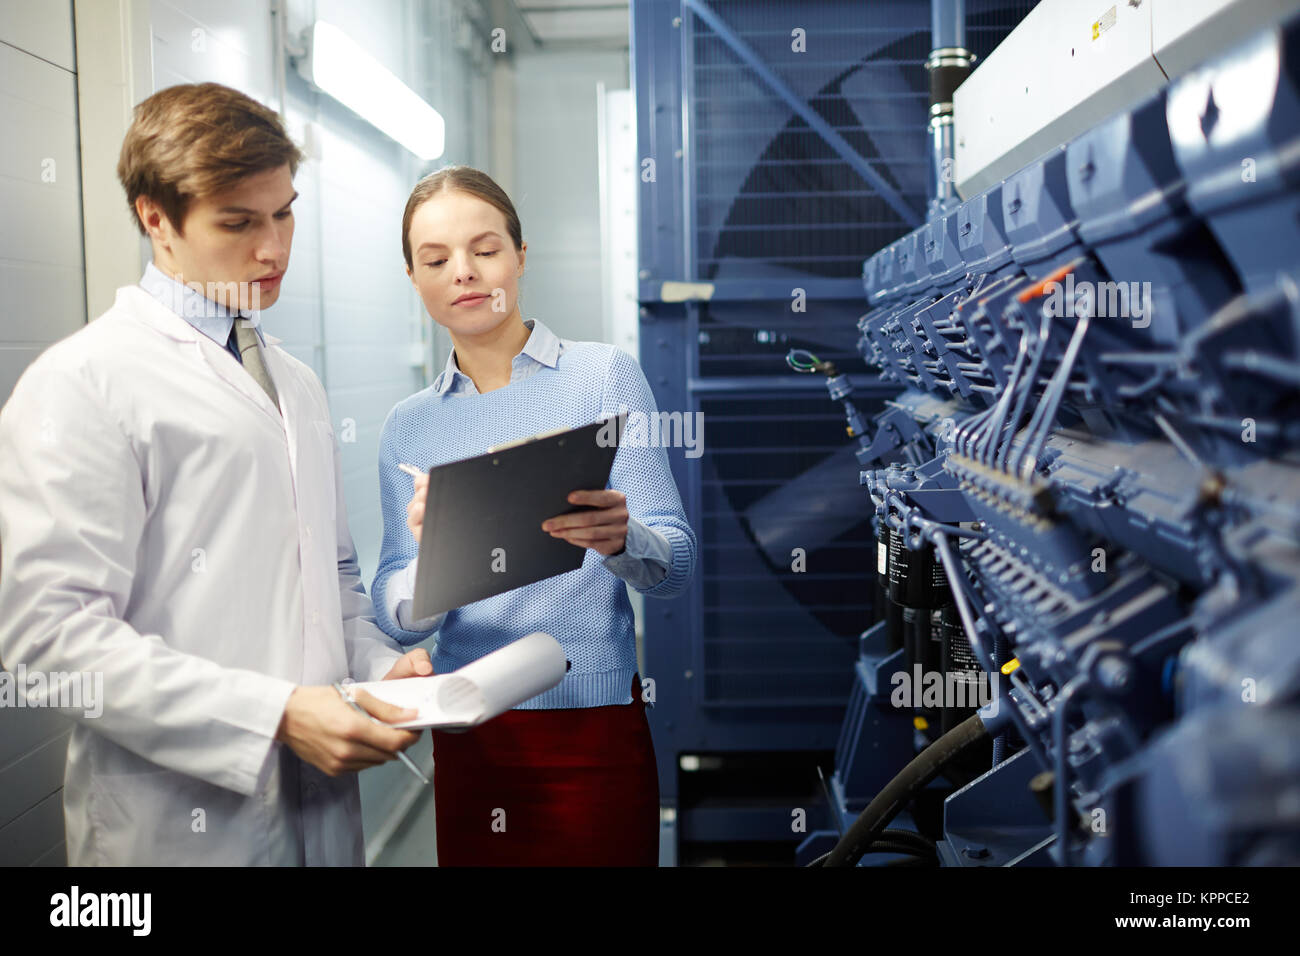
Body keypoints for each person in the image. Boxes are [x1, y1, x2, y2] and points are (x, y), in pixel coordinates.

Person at [0, 82, 432, 866]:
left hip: (321, 817)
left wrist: (378, 667)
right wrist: (272, 716)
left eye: (285, 212)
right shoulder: (84, 384)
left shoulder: (294, 382)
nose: (273, 250)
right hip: (173, 825)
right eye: (238, 222)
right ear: (154, 217)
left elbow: (329, 579)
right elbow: (46, 647)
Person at [372, 166, 697, 866]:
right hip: (471, 727)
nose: (463, 272)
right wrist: (434, 559)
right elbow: (394, 611)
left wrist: (621, 539)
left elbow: (675, 567)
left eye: (485, 249)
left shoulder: (602, 377)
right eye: (435, 260)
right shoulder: (410, 427)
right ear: (413, 277)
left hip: (593, 725)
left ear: (521, 256)